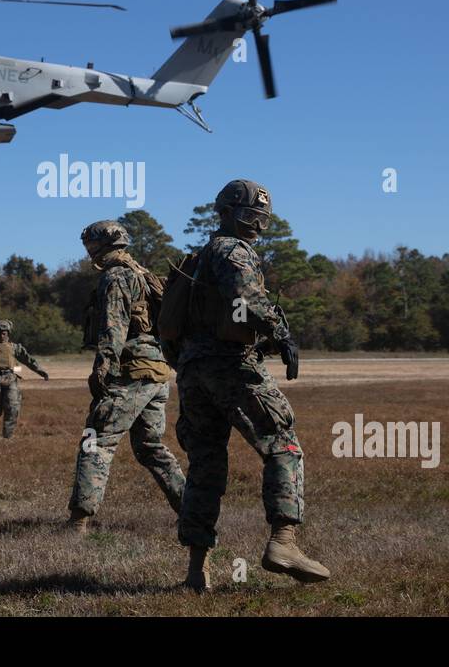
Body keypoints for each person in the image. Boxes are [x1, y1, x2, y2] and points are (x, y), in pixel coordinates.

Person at [174, 179, 329, 593]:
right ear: (225, 213)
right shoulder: (233, 251)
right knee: (283, 444)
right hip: (231, 365)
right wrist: (281, 333)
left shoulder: (204, 255)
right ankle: (284, 542)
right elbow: (246, 298)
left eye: (261, 217)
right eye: (249, 215)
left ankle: (196, 572)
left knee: (205, 467)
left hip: (193, 371)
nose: (257, 224)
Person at [67, 221, 186, 532]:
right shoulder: (141, 273)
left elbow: (114, 326)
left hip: (131, 370)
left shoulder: (116, 276)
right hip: (157, 370)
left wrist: (102, 366)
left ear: (96, 245)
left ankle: (78, 521)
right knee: (150, 446)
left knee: (96, 439)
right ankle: (192, 511)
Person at [0, 320, 48, 439]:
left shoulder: (15, 347)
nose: (2, 335)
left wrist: (40, 371)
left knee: (12, 407)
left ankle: (7, 437)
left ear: (8, 333)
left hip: (11, 378)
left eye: (4, 333)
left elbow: (28, 360)